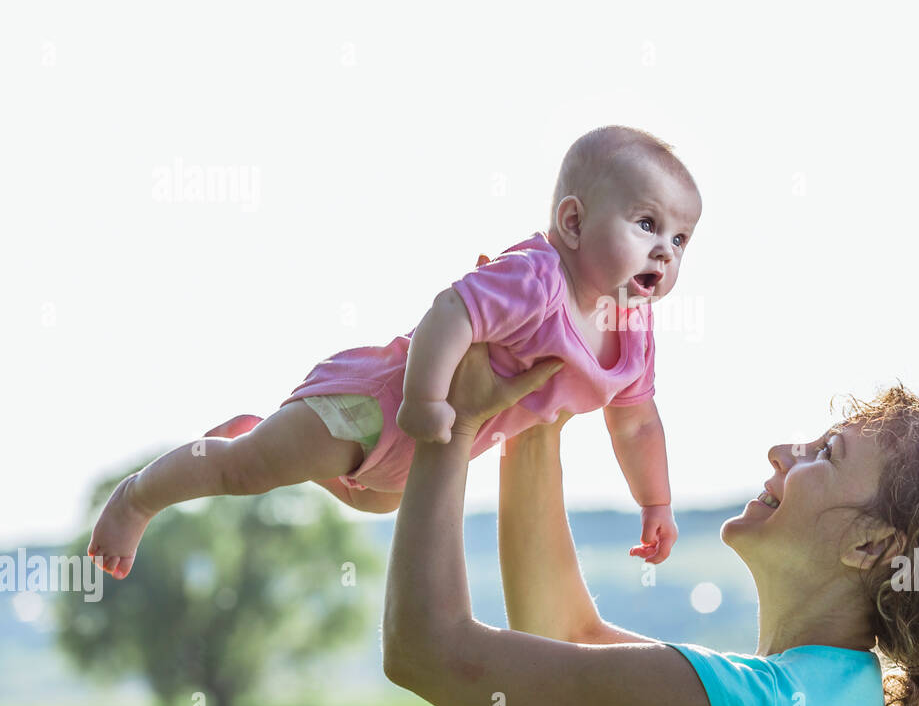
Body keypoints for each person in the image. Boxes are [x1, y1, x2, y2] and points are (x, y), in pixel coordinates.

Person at [87, 125, 702, 579]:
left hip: (424, 452)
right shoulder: (536, 278)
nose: (666, 252)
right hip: (377, 407)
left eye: (680, 238)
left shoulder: (631, 331)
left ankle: (266, 433)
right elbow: (449, 312)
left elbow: (638, 421)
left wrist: (655, 501)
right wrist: (423, 397)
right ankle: (138, 496)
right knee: (245, 472)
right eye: (646, 224)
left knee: (374, 499)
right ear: (572, 222)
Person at [382, 342, 919, 706]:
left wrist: (457, 420)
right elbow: (562, 633)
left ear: (871, 544)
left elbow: (426, 650)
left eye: (826, 454)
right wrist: (541, 403)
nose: (782, 452)